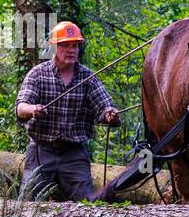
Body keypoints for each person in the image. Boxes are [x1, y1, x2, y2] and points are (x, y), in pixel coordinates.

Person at [16, 21, 120, 200]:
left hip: (74, 153)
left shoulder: (88, 77)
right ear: (54, 47)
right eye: (65, 45)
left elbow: (104, 107)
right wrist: (33, 110)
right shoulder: (38, 74)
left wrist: (110, 115)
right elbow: (20, 108)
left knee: (85, 207)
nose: (71, 50)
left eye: (75, 46)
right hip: (42, 149)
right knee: (27, 204)